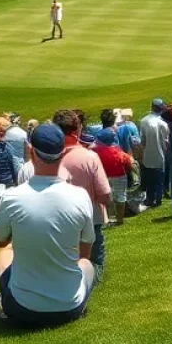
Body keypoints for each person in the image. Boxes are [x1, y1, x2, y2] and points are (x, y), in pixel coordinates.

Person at [0, 123, 96, 326]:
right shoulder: (80, 196)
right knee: (87, 265)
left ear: (31, 152)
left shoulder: (12, 197)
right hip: (70, 307)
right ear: (63, 153)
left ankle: (5, 300)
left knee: (5, 253)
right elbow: (85, 252)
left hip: (22, 308)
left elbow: (1, 240)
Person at [55, 110, 112, 274]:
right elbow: (105, 194)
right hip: (90, 217)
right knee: (94, 262)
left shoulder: (46, 158)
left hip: (60, 219)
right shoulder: (89, 157)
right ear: (78, 129)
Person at [93, 127, 134, 225]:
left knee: (106, 197)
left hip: (104, 177)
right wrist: (129, 172)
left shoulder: (96, 150)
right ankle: (120, 219)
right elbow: (128, 162)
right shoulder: (117, 150)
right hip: (119, 176)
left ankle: (108, 218)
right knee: (120, 197)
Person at [138, 98, 169, 208]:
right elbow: (166, 143)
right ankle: (158, 199)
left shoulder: (143, 121)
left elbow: (143, 141)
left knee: (150, 179)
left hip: (147, 155)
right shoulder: (162, 124)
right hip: (159, 155)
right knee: (159, 180)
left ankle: (150, 199)